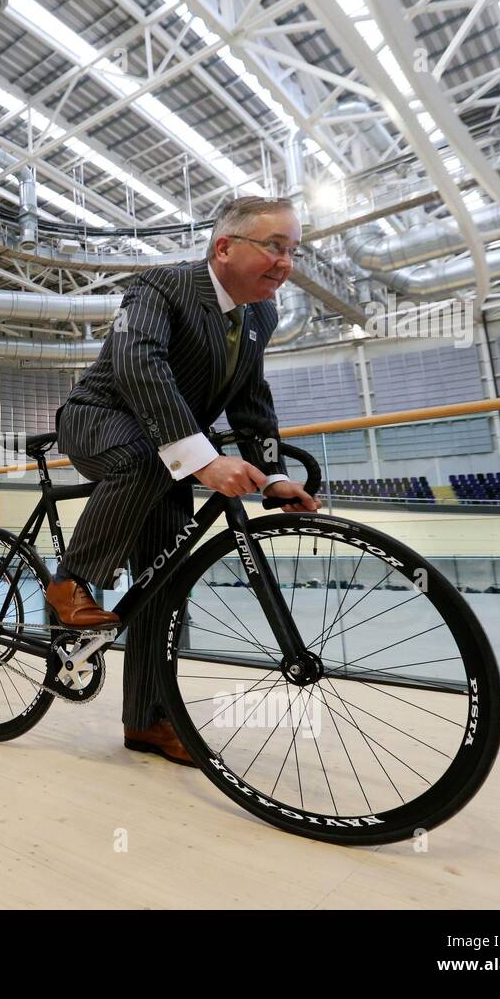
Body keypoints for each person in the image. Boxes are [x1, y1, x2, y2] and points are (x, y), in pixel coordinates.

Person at [46, 195, 321, 766]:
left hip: (170, 446)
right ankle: (71, 582)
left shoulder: (260, 316)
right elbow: (139, 364)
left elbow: (250, 399)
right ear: (224, 247)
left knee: (166, 582)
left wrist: (272, 476)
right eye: (274, 246)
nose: (286, 262)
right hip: (100, 420)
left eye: (293, 250)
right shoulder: (159, 286)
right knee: (147, 458)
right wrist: (200, 459)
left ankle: (147, 719)